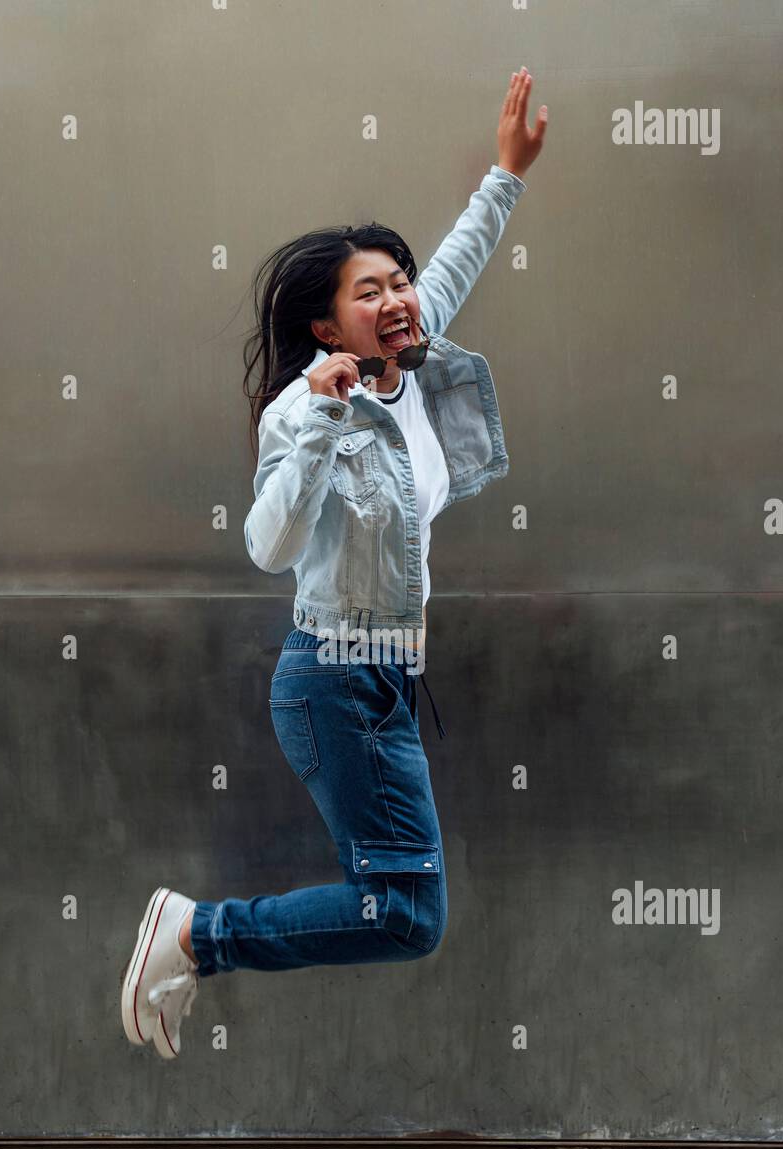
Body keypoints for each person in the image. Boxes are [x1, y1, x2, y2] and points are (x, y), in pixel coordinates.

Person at [121, 68, 547, 1059]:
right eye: (373, 291)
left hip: (388, 679)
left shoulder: (410, 351)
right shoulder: (301, 411)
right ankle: (193, 933)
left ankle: (191, 940)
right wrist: (318, 414)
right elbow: (267, 545)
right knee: (406, 912)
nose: (399, 297)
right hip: (333, 679)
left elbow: (457, 260)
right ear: (327, 325)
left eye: (399, 282)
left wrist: (506, 174)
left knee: (406, 913)